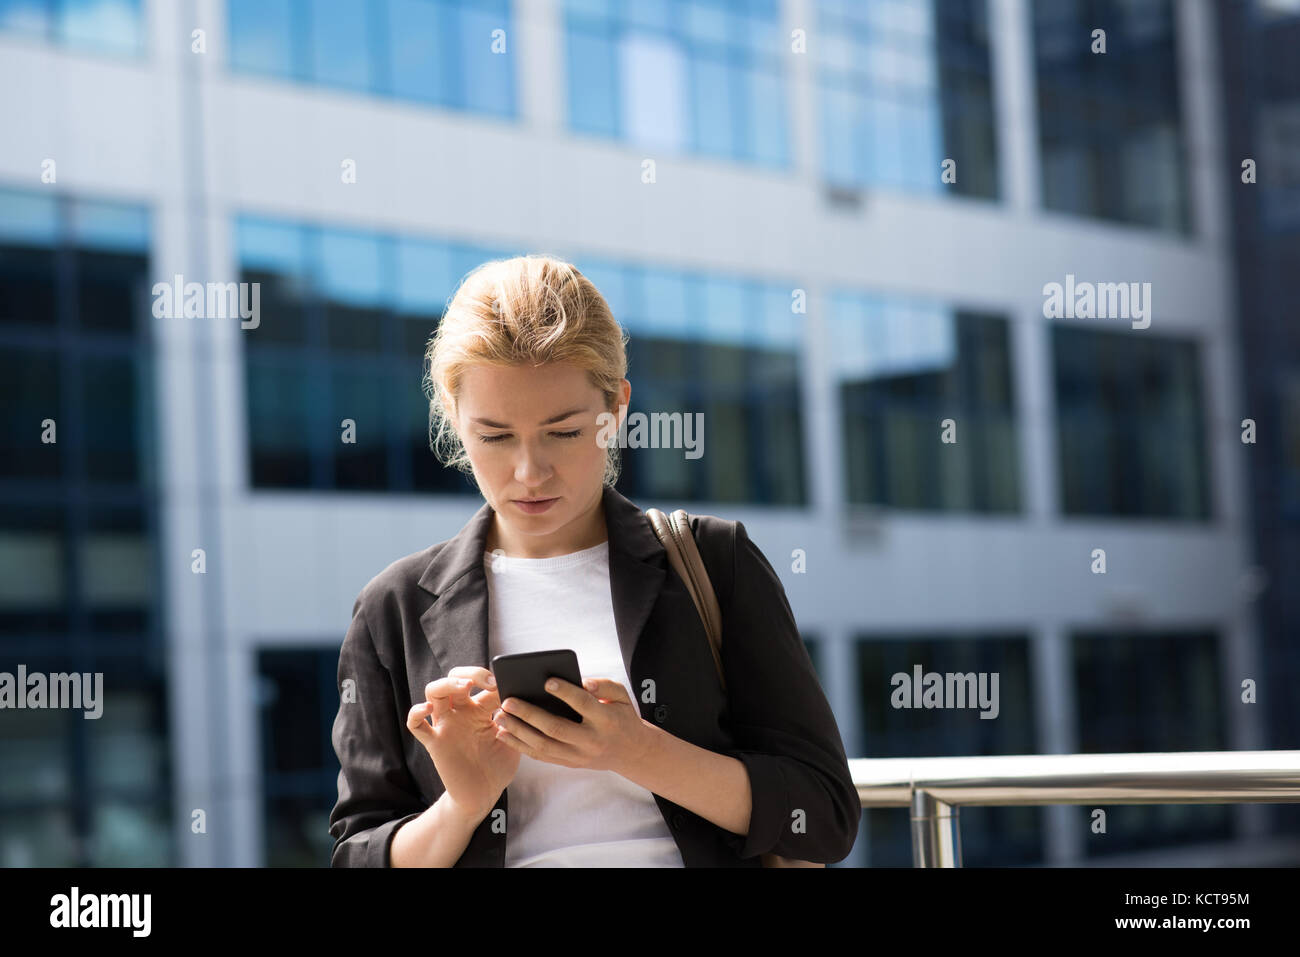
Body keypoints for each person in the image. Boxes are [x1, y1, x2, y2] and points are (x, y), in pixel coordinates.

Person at [328, 254, 859, 866]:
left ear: (617, 410)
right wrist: (463, 805)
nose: (529, 472)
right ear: (453, 418)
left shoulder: (715, 563)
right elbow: (357, 852)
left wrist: (638, 751)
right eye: (495, 437)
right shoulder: (392, 608)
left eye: (565, 431)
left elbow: (823, 817)